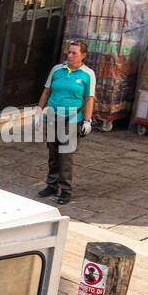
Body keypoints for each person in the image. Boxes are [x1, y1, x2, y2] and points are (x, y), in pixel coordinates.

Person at [36, 40, 95, 207]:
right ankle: (51, 185)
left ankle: (66, 190)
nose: (69, 55)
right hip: (53, 118)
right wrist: (39, 111)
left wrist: (87, 120)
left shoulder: (87, 74)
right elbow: (47, 91)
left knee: (66, 157)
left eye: (74, 53)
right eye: (68, 52)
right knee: (53, 154)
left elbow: (89, 98)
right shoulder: (57, 70)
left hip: (72, 120)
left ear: (83, 55)